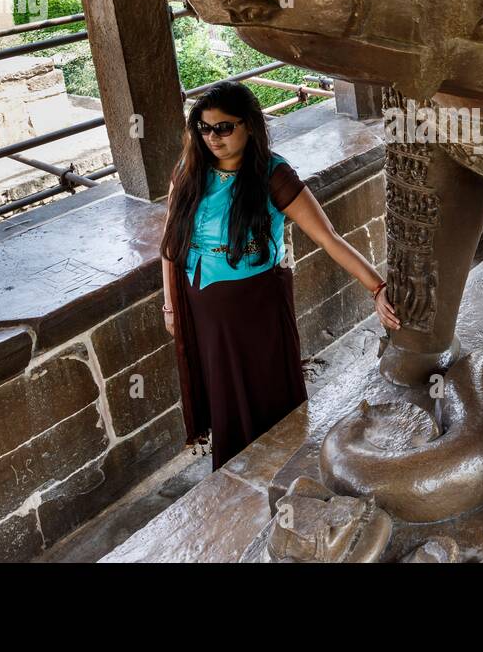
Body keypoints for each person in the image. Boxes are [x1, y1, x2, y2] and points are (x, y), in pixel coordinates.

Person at [159, 81, 400, 471]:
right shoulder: (189, 171)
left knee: (265, 388)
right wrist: (170, 305)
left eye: (224, 127)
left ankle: (280, 465)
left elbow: (328, 237)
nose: (212, 137)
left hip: (255, 302)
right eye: (204, 128)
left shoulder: (273, 176)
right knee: (221, 390)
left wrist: (377, 286)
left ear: (249, 126)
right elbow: (170, 244)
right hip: (200, 303)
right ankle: (236, 469)